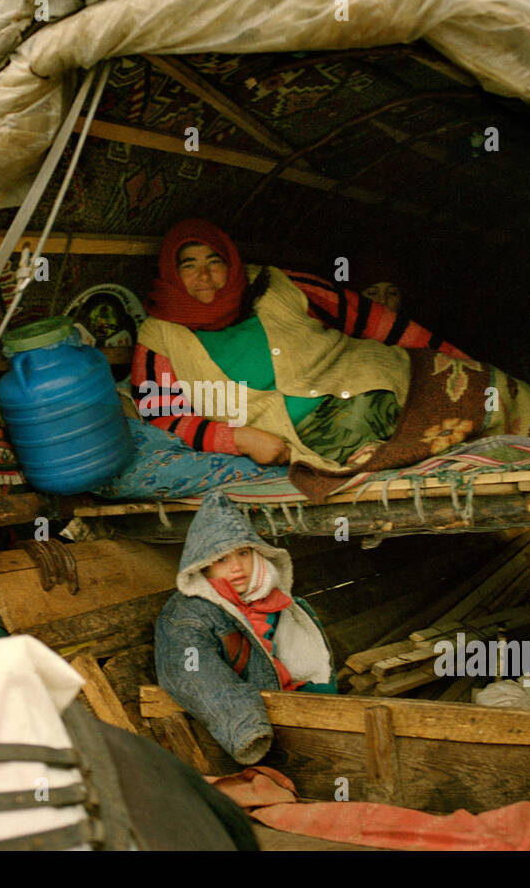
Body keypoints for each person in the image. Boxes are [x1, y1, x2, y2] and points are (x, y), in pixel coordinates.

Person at [130, 218, 476, 473]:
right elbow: (162, 413)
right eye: (189, 266)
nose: (203, 276)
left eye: (214, 262)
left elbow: (370, 318)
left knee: (485, 397)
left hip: (384, 377)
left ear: (231, 262)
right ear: (172, 273)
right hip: (316, 432)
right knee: (419, 451)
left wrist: (456, 361)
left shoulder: (276, 282)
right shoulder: (159, 334)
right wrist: (239, 439)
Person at [154, 489, 336, 765]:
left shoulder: (269, 599)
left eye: (243, 553)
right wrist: (247, 728)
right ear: (202, 566)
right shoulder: (186, 616)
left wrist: (324, 702)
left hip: (292, 705)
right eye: (222, 559)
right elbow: (195, 675)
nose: (237, 567)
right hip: (253, 725)